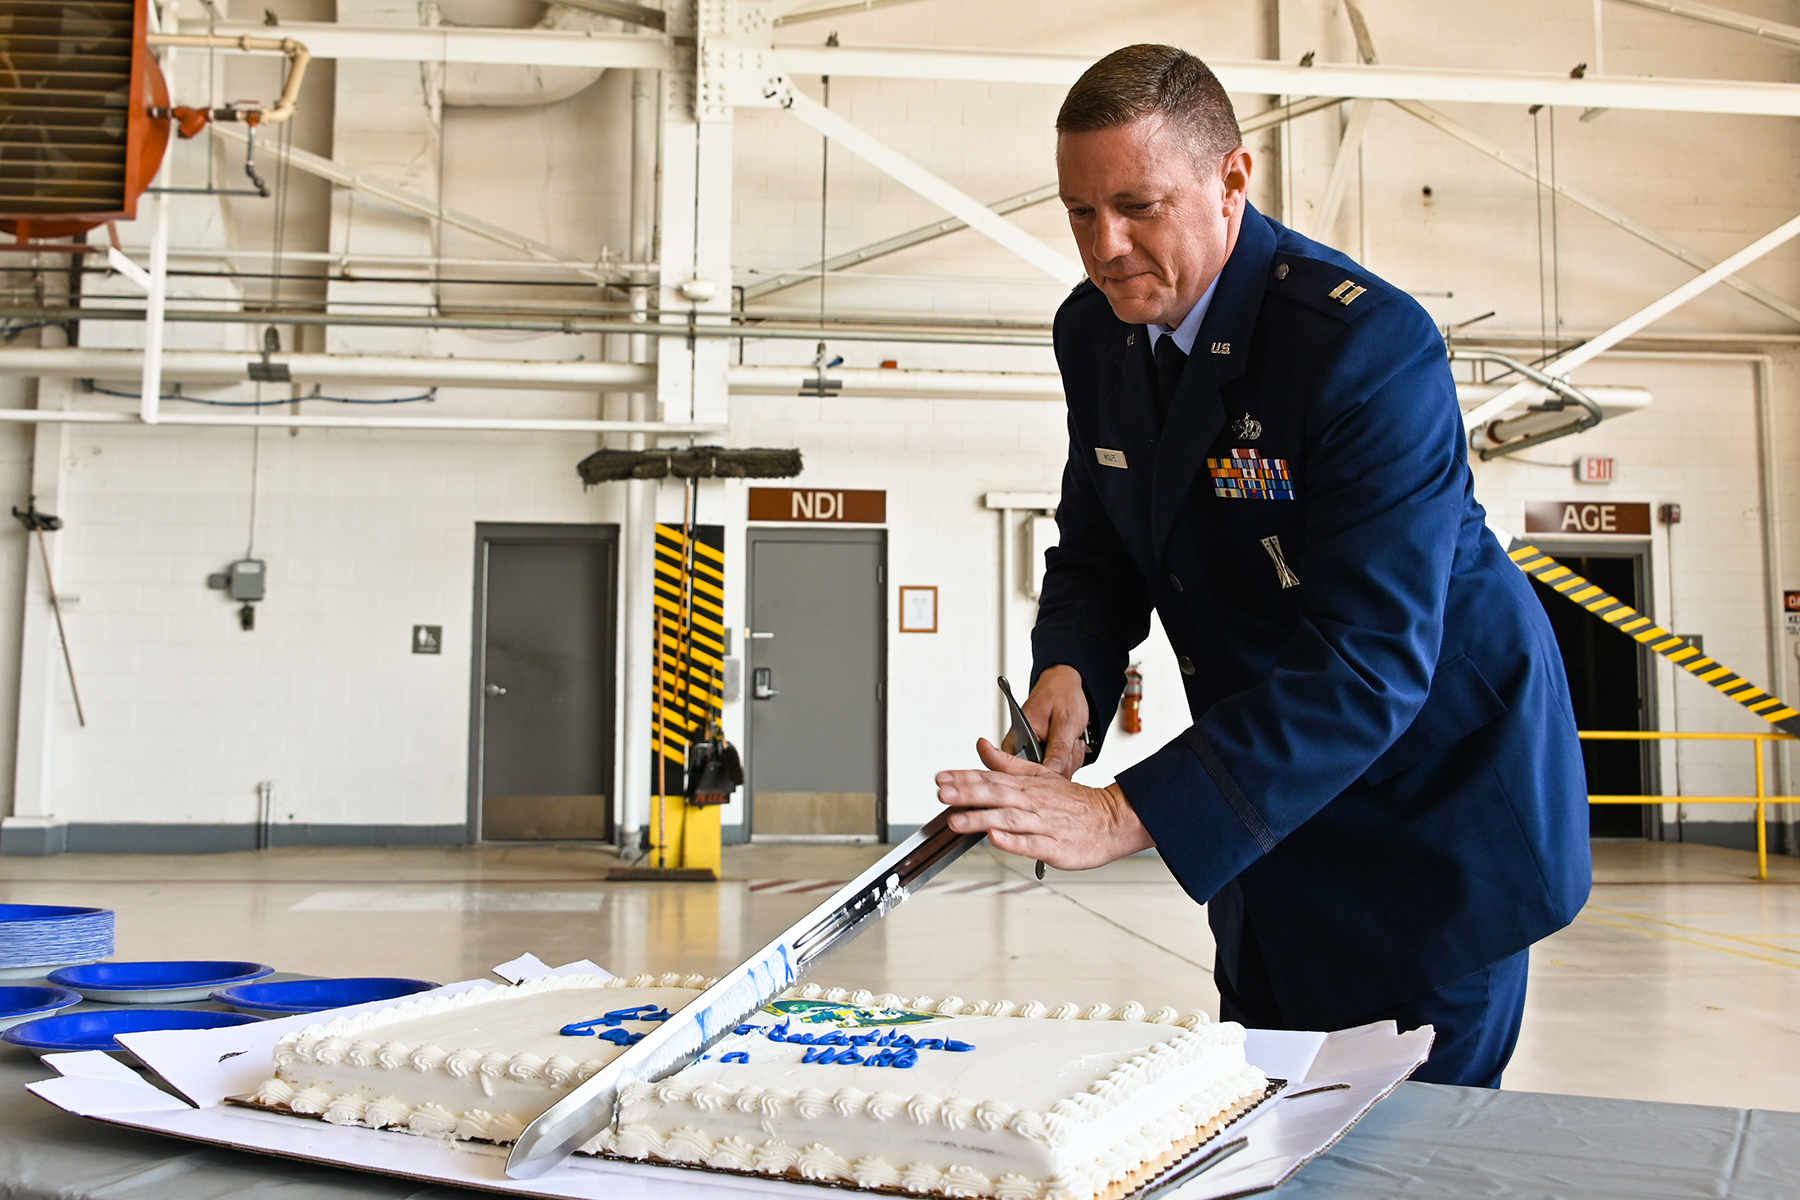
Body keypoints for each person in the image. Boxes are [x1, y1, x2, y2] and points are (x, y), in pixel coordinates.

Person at [934, 44, 1591, 1088]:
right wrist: (1071, 668)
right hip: (1268, 806)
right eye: (1079, 213)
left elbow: (1370, 662)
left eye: (1138, 207)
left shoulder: (1363, 348)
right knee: (1269, 1111)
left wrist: (1121, 814)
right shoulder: (1095, 334)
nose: (1105, 247)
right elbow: (1101, 540)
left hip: (1431, 815)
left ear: (1232, 180)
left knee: (1404, 1139)